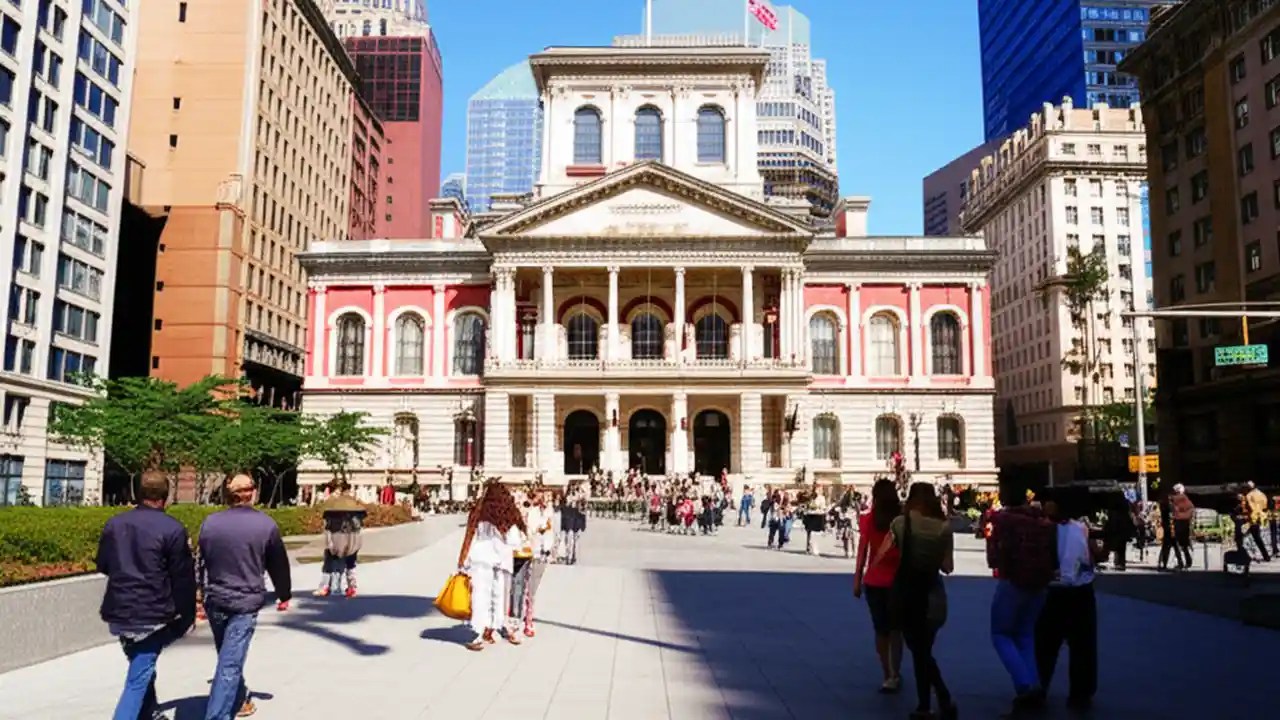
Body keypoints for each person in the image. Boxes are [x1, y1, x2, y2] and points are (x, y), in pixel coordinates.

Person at [96, 471, 197, 720]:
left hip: (118, 613)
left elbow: (103, 564)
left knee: (141, 668)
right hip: (153, 615)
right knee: (137, 679)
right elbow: (182, 579)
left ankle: (149, 714)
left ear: (136, 494)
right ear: (166, 496)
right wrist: (188, 615)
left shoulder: (114, 524)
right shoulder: (173, 529)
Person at [198, 474, 292, 720]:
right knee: (230, 662)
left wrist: (198, 595)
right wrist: (284, 594)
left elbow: (200, 562)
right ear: (252, 492)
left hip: (215, 598)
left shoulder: (210, 523)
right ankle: (217, 716)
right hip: (245, 602)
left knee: (228, 656)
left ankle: (240, 700)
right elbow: (278, 564)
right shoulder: (266, 525)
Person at [874, 482, 956, 720]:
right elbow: (948, 567)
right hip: (934, 595)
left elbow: (882, 553)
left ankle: (935, 700)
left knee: (920, 652)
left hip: (909, 595)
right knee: (923, 650)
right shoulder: (944, 527)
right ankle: (933, 701)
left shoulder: (901, 523)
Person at [986, 484, 1057, 715]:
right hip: (1040, 584)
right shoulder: (1042, 521)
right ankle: (1034, 684)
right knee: (1025, 634)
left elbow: (994, 558)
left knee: (1001, 633)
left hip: (1013, 581)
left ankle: (1024, 685)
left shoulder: (1001, 520)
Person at [1035, 497, 1101, 712]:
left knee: (1045, 643)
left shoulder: (1045, 529)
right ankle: (1081, 692)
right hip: (1080, 591)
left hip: (1055, 591)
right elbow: (1092, 556)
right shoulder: (1082, 528)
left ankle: (1039, 687)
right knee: (1082, 644)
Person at [459, 482, 527, 650]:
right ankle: (493, 628)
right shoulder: (509, 514)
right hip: (501, 560)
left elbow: (471, 536)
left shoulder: (479, 512)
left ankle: (479, 633)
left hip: (481, 559)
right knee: (498, 596)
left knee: (481, 596)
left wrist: (463, 561)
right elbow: (514, 541)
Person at [853, 479, 903, 694]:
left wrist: (857, 580)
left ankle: (887, 673)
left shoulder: (868, 520)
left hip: (874, 581)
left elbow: (862, 552)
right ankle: (896, 672)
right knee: (896, 630)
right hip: (899, 581)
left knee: (880, 630)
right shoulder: (902, 521)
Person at [314, 483, 365, 598]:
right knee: (350, 564)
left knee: (334, 563)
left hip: (338, 538)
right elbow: (360, 523)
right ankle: (350, 587)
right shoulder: (353, 505)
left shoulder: (336, 505)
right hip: (352, 539)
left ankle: (332, 587)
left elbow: (328, 523)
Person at [1244, 481, 1273, 562]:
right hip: (1262, 517)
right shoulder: (1261, 494)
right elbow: (1265, 505)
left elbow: (1250, 507)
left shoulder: (1249, 495)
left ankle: (1261, 555)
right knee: (1259, 537)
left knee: (1255, 538)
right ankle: (1265, 555)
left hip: (1254, 518)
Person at [1170, 484, 1196, 570]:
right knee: (1184, 544)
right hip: (1185, 524)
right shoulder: (1186, 500)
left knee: (1176, 544)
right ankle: (1188, 561)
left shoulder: (1174, 499)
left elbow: (1173, 511)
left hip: (1178, 523)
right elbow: (1192, 509)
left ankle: (1180, 562)